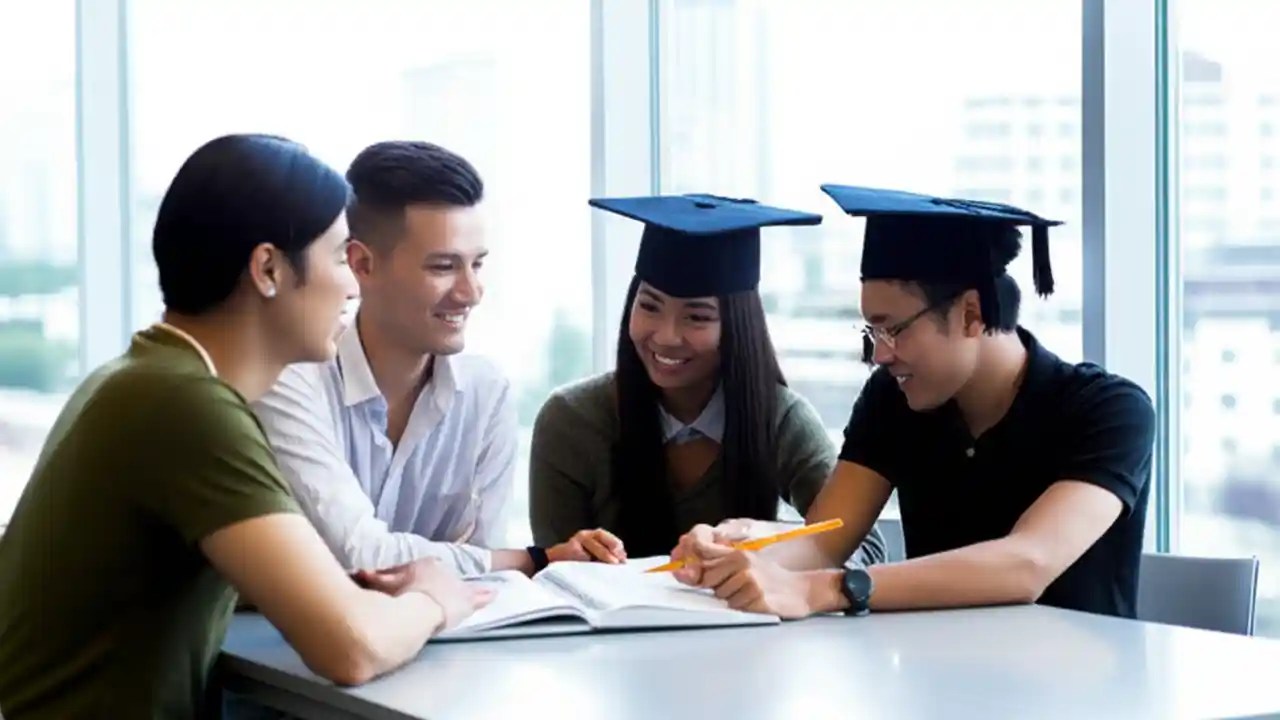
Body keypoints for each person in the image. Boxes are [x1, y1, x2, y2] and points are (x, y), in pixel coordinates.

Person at [0, 135, 489, 719]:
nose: (355, 285)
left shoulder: (142, 377)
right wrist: (434, 596)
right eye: (339, 258)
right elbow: (352, 647)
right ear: (268, 269)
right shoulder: (186, 407)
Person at [672, 185, 1155, 621]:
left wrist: (825, 590)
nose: (880, 354)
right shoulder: (894, 400)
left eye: (894, 329)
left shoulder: (1108, 410)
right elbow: (823, 540)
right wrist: (740, 548)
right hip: (936, 682)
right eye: (872, 332)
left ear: (972, 313)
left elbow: (1027, 563)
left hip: (1082, 700)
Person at [252, 140, 618, 578]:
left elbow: (487, 580)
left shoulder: (485, 391)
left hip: (443, 637)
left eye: (477, 265)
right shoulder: (291, 381)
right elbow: (356, 557)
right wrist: (531, 560)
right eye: (443, 267)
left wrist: (493, 564)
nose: (470, 293)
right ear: (361, 265)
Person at [529, 193, 887, 567]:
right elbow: (549, 577)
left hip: (747, 622)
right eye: (649, 306)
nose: (666, 335)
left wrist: (762, 540)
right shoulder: (571, 421)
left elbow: (868, 554)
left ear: (736, 328)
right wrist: (573, 556)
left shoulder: (779, 419)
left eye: (696, 317)